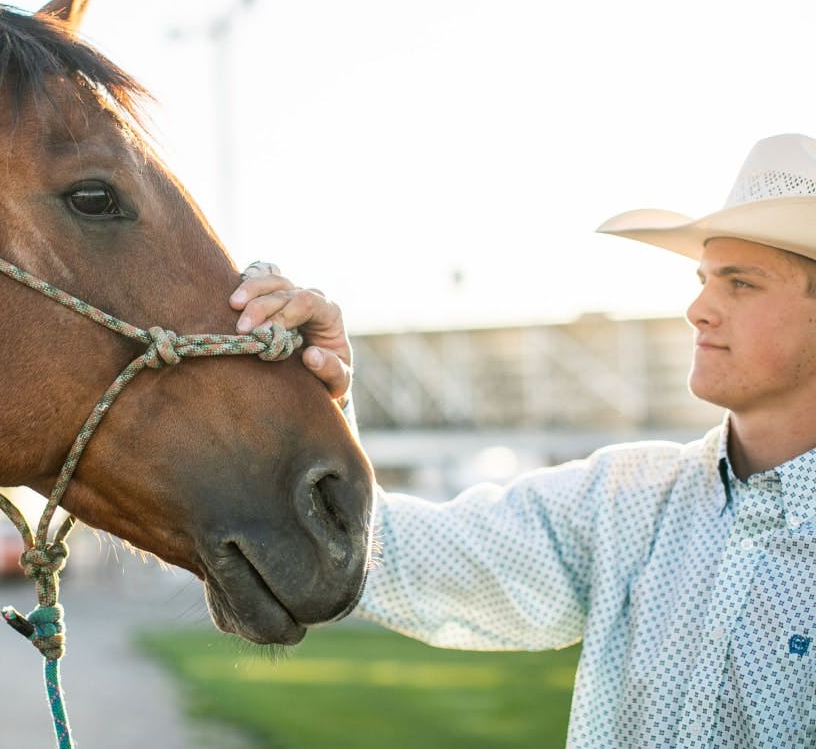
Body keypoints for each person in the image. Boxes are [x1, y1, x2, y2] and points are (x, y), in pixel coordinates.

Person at [229, 134, 816, 748]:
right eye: (704, 279)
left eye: (739, 283)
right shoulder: (624, 500)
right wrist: (315, 409)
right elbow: (391, 555)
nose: (698, 307)